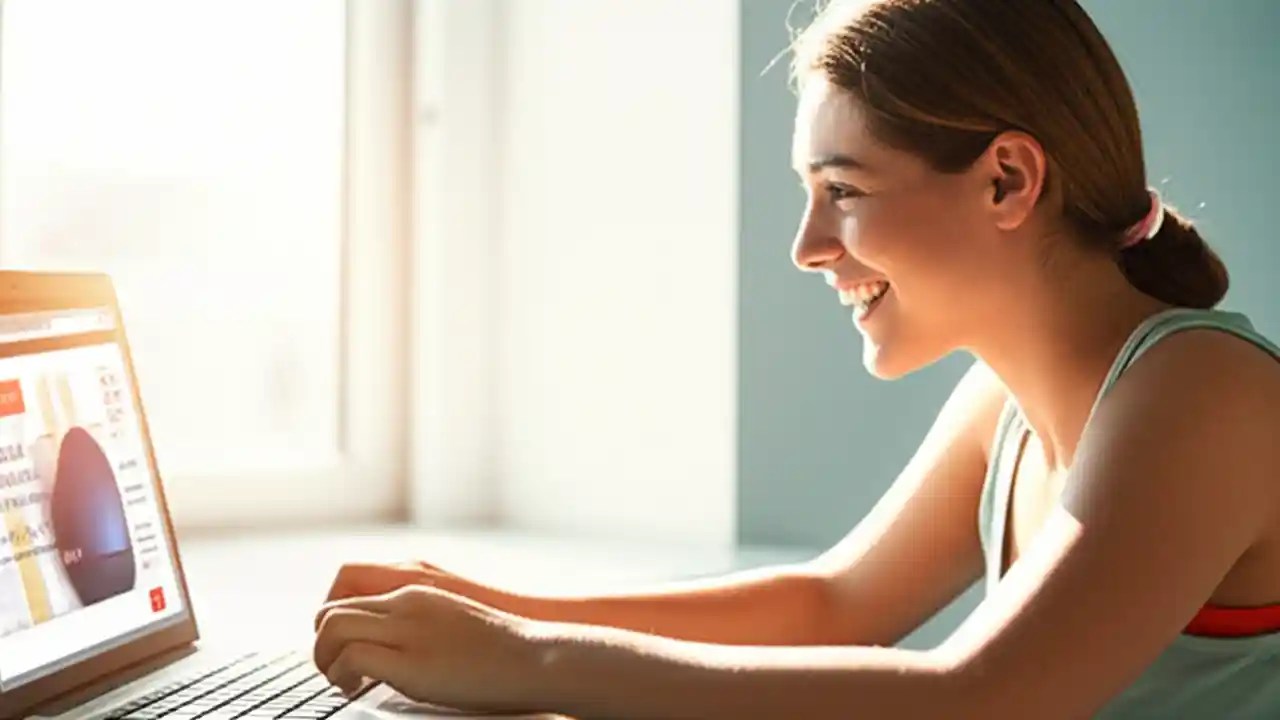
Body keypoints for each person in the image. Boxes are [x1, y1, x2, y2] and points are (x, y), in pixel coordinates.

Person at [311, 1, 1280, 717]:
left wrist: (533, 659)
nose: (807, 247)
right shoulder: (1010, 404)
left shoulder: (1203, 393)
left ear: (1006, 180)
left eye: (842, 191)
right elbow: (832, 605)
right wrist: (480, 608)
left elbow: (981, 698)